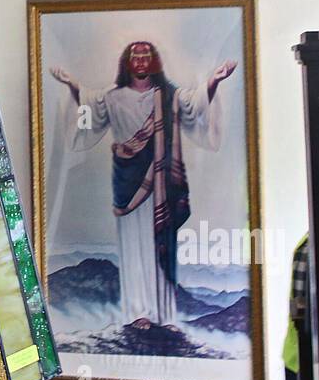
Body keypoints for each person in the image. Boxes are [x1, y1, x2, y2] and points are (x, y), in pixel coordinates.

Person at [50, 42, 234, 330]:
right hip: (129, 182)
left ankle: (164, 314)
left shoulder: (168, 95)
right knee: (134, 246)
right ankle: (139, 313)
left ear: (153, 62)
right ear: (127, 62)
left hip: (163, 182)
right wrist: (72, 84)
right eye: (135, 57)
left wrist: (214, 80)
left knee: (162, 244)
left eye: (146, 57)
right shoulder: (114, 96)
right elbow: (89, 104)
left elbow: (193, 104)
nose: (140, 62)